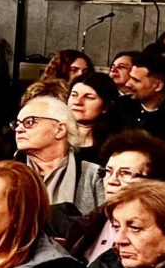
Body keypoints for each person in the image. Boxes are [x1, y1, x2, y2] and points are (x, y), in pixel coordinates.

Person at [63, 130, 165, 265]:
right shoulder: (86, 224)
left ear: (154, 182)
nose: (111, 180)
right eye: (108, 172)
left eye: (125, 173)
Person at [16, 92, 103, 222]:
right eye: (17, 124)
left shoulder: (93, 175)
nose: (19, 129)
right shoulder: (8, 175)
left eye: (29, 122)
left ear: (60, 130)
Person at [124, 44, 165, 135]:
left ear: (158, 85)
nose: (128, 84)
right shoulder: (121, 107)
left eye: (136, 80)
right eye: (130, 78)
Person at [67, 70, 122, 160]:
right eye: (74, 95)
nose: (77, 102)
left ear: (106, 106)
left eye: (89, 97)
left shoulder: (116, 145)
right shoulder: (54, 137)